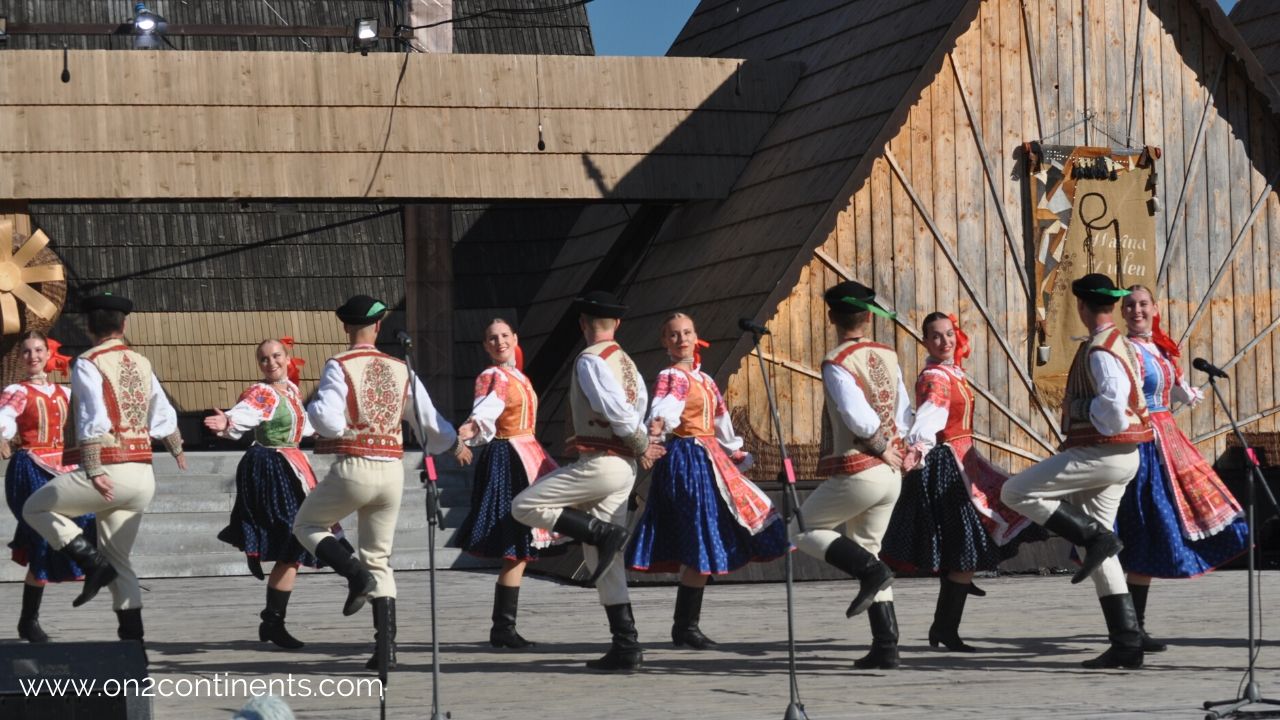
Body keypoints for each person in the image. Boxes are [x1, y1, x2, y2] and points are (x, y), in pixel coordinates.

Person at [294, 295, 457, 670]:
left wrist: (315, 409)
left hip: (356, 467)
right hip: (392, 473)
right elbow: (430, 422)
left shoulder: (340, 365)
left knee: (306, 524)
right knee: (380, 556)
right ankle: (386, 651)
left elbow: (331, 422)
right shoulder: (402, 368)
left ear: (346, 327)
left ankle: (355, 574)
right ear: (379, 326)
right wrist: (456, 444)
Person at [22, 292, 186, 662]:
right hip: (144, 474)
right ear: (123, 325)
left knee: (36, 507)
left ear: (91, 328)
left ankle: (92, 565)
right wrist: (175, 446)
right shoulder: (141, 361)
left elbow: (92, 415)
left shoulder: (88, 362)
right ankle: (135, 648)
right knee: (122, 562)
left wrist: (93, 468)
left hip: (110, 470)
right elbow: (162, 411)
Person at [1000, 273, 1153, 669]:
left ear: (1082, 307)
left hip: (1102, 453)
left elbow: (1114, 409)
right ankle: (1127, 643)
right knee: (1102, 556)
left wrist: (1080, 411)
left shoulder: (1101, 349)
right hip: (1122, 456)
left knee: (1015, 492)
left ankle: (1092, 536)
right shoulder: (1117, 342)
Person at [510, 290, 665, 671]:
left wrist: (642, 442)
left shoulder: (589, 361)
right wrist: (640, 443)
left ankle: (598, 531)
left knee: (525, 505)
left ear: (582, 324)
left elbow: (616, 413)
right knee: (604, 562)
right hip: (623, 469)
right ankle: (626, 645)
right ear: (618, 324)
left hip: (603, 464)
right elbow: (633, 412)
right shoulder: (627, 363)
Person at [626, 312, 789, 649]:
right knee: (702, 534)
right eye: (674, 335)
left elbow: (720, 418)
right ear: (665, 342)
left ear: (695, 336)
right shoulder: (670, 376)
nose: (681, 339)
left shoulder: (705, 380)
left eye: (686, 333)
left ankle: (686, 626)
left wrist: (735, 452)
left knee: (721, 528)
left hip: (710, 457)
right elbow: (663, 410)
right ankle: (685, 627)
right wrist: (655, 434)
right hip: (686, 459)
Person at [882, 312, 1041, 653]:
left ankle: (945, 625)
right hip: (946, 466)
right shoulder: (937, 377)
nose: (945, 341)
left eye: (949, 334)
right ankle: (944, 627)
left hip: (963, 459)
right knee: (966, 545)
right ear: (926, 342)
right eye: (936, 336)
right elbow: (931, 416)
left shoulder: (950, 373)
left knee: (970, 542)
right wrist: (918, 448)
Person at [1115, 285, 1248, 650]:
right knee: (1145, 526)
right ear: (1122, 312)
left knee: (1159, 527)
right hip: (1142, 443)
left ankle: (1135, 626)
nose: (1136, 311)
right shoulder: (1123, 350)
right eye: (1129, 306)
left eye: (1142, 305)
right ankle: (1130, 627)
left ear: (1154, 308)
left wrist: (1184, 392)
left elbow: (1168, 387)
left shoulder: (1159, 348)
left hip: (1168, 441)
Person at [793, 280, 910, 670]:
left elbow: (856, 416)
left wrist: (879, 446)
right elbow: (904, 410)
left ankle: (871, 572)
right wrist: (899, 449)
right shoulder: (888, 354)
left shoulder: (837, 361)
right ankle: (886, 645)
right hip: (891, 473)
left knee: (800, 529)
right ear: (867, 316)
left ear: (832, 317)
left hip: (861, 469)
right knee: (868, 545)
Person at [206, 338, 329, 650]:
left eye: (276, 356)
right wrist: (228, 420)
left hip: (290, 463)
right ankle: (272, 617)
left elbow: (306, 428)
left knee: (296, 544)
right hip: (270, 464)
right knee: (293, 537)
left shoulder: (292, 391)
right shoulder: (262, 392)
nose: (270, 363)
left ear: (287, 358)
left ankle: (273, 620)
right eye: (264, 359)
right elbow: (247, 413)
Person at [453, 318, 558, 649]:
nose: (499, 342)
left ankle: (504, 627)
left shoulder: (519, 377)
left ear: (515, 338)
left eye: (503, 336)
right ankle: (503, 627)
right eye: (492, 339)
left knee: (521, 547)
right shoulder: (494, 376)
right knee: (516, 543)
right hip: (508, 457)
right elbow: (485, 413)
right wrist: (464, 435)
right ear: (486, 346)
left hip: (527, 454)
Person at [2, 332, 90, 642]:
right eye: (26, 352)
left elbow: (86, 421)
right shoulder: (17, 390)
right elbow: (6, 416)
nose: (33, 356)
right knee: (42, 537)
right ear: (20, 358)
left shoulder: (64, 392)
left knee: (80, 523)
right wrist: (2, 432)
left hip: (64, 467)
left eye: (38, 350)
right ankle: (30, 621)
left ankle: (28, 621)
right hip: (31, 468)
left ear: (47, 353)